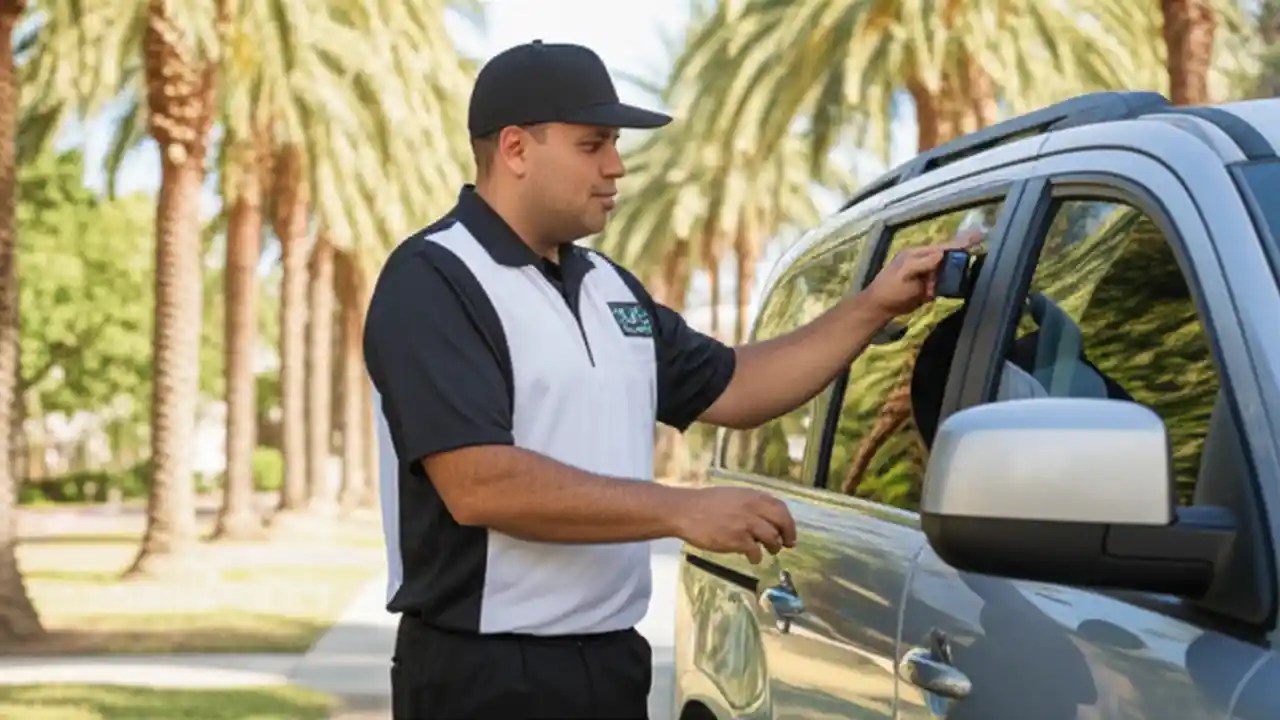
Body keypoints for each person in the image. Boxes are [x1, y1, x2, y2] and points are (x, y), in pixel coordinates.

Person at [363, 39, 967, 720]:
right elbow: (478, 483)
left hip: (611, 664)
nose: (616, 167)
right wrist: (682, 508)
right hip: (484, 678)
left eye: (615, 145)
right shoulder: (434, 279)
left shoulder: (609, 287)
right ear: (515, 149)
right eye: (593, 145)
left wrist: (874, 305)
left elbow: (737, 386)